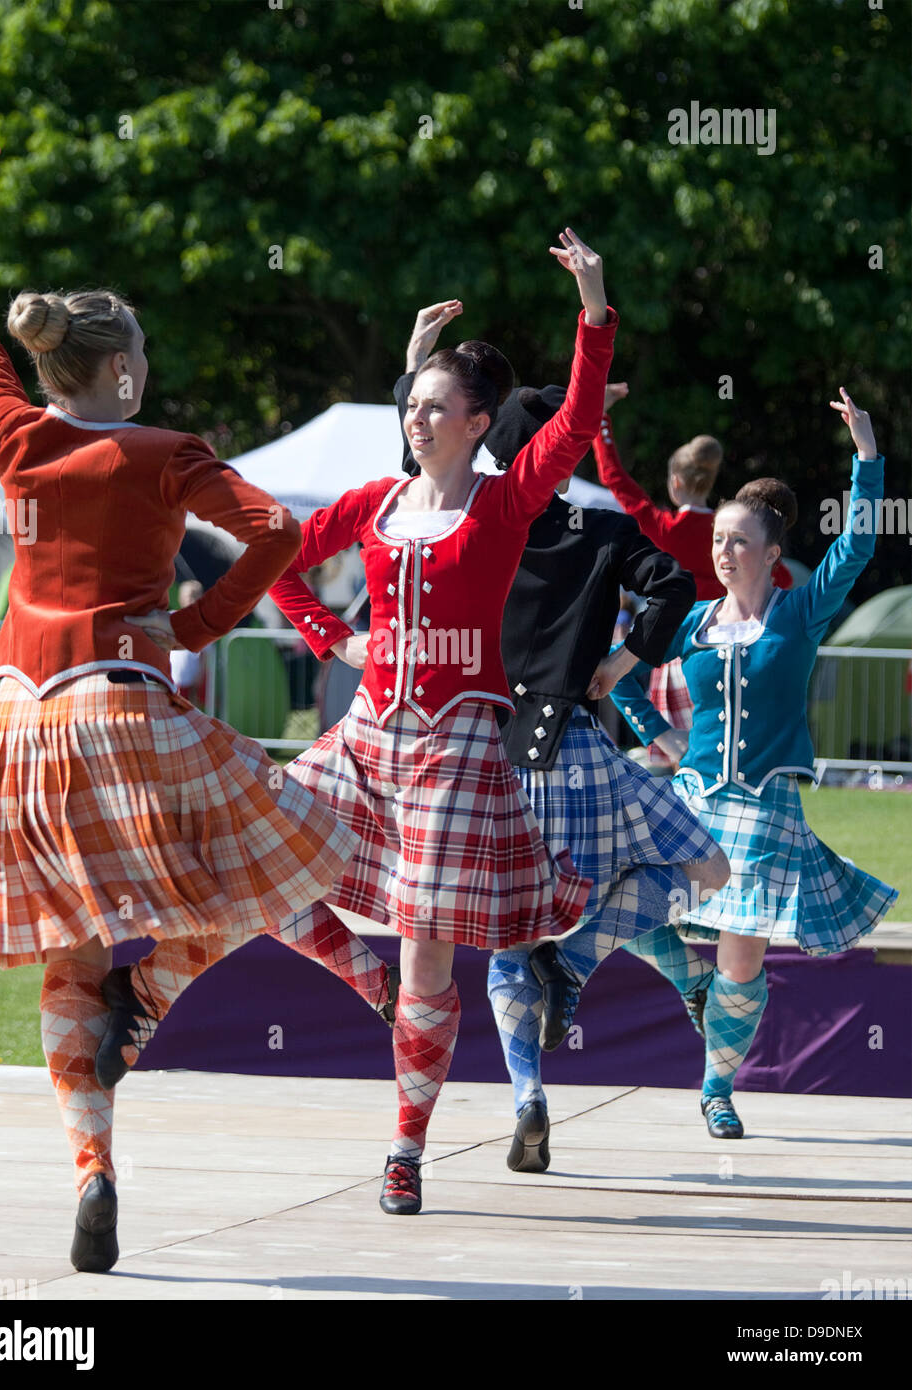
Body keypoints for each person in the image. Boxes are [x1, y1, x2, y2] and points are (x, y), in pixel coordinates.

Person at [0, 138, 382, 1273]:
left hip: (20, 725)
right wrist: (193, 625)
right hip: (123, 702)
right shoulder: (164, 449)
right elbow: (278, 533)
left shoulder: (14, 432)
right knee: (271, 859)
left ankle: (92, 1166)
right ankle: (164, 987)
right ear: (123, 370)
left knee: (68, 951)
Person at [254, 229, 617, 1215]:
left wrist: (592, 307)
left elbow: (579, 421)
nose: (415, 420)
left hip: (459, 745)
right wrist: (334, 641)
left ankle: (405, 1145)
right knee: (252, 850)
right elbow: (277, 556)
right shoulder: (375, 501)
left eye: (431, 408)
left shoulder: (501, 505)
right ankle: (372, 993)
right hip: (371, 731)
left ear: (478, 422)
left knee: (425, 948)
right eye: (408, 407)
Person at [391, 317, 728, 1173]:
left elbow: (416, 467)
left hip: (482, 763)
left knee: (505, 946)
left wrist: (412, 365)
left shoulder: (469, 522)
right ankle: (573, 959)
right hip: (572, 750)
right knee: (702, 870)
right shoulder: (600, 532)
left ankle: (528, 1097)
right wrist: (618, 662)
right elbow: (677, 586)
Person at [604, 390, 898, 1138]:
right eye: (718, 540)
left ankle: (716, 1088)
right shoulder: (695, 621)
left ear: (771, 554)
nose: (722, 550)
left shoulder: (798, 613)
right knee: (620, 904)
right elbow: (622, 676)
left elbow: (856, 547)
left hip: (765, 810)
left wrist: (865, 459)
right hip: (694, 800)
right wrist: (656, 737)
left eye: (738, 541)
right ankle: (688, 979)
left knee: (741, 960)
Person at [592, 389, 793, 767]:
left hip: (679, 649)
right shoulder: (735, 532)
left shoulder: (665, 528)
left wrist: (601, 419)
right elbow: (782, 577)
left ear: (676, 482)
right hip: (735, 652)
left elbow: (613, 476)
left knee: (678, 769)